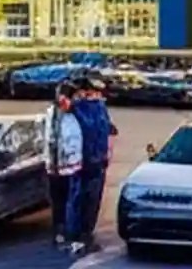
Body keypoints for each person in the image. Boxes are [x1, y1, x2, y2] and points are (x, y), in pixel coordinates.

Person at [69, 75, 115, 257]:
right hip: (86, 161)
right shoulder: (82, 108)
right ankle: (79, 236)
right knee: (81, 199)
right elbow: (93, 130)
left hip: (95, 160)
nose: (96, 96)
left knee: (89, 199)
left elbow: (105, 130)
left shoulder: (96, 108)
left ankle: (84, 234)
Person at [43, 80, 83, 249]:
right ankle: (59, 231)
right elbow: (49, 138)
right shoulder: (52, 113)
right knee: (59, 201)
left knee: (71, 201)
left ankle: (70, 232)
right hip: (55, 167)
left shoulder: (77, 113)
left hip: (72, 166)